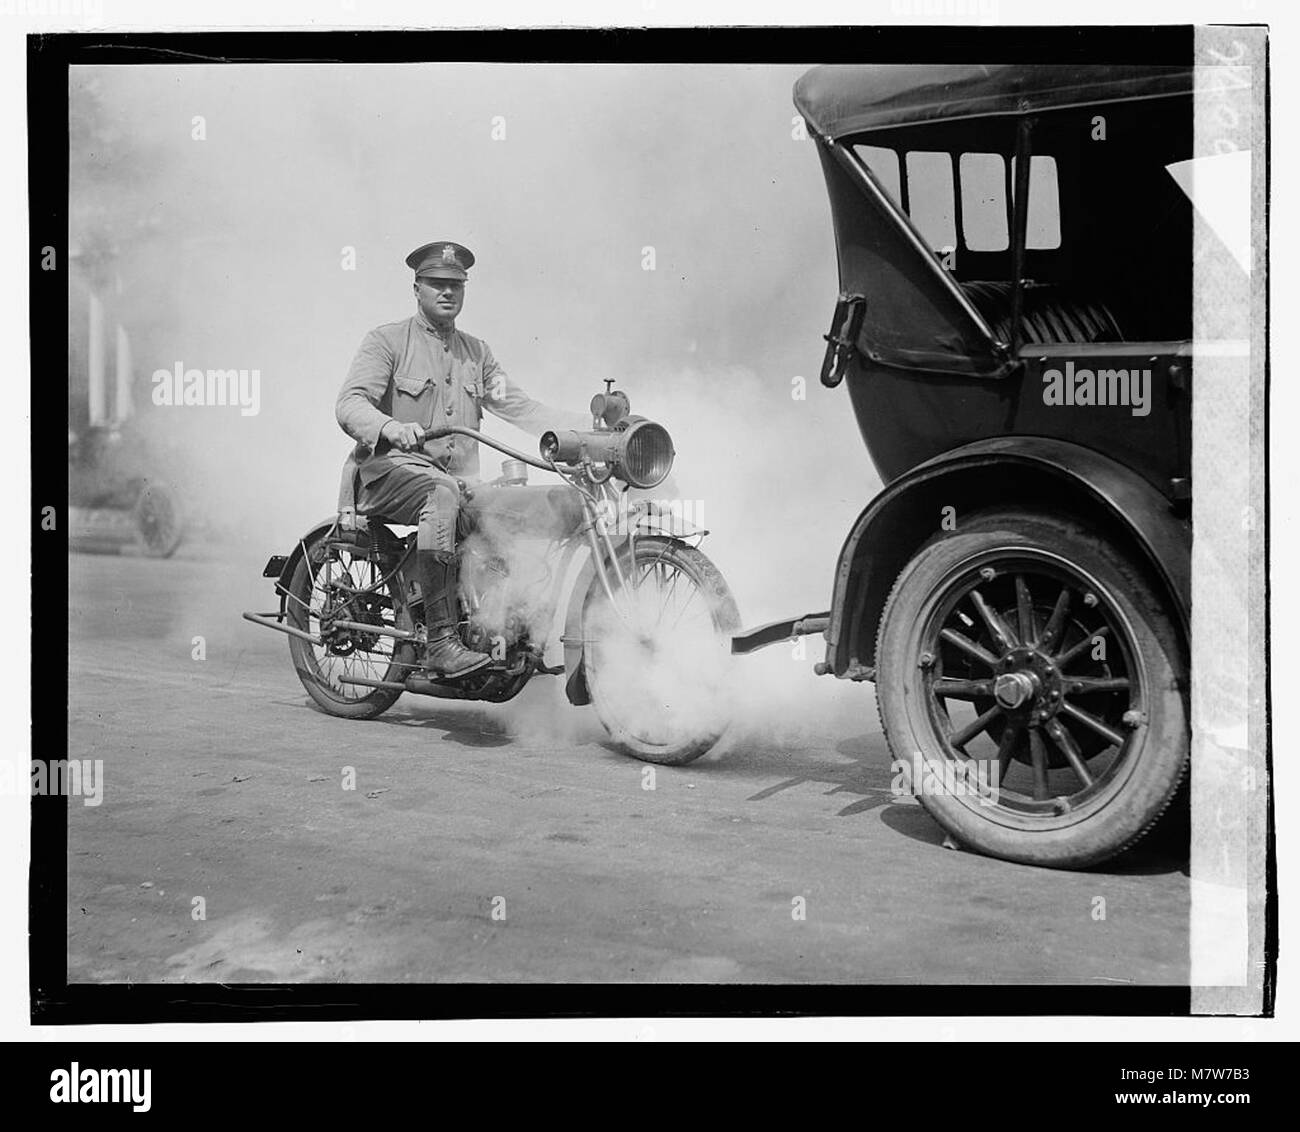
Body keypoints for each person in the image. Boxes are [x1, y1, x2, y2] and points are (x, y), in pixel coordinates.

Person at [336, 240, 588, 676]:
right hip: (389, 474)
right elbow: (351, 403)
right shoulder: (387, 342)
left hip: (456, 485)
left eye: (456, 284)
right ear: (416, 288)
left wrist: (585, 429)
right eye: (437, 283)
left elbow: (522, 408)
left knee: (533, 507)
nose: (447, 292)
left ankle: (508, 629)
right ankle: (439, 642)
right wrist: (391, 428)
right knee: (443, 494)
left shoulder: (477, 354)